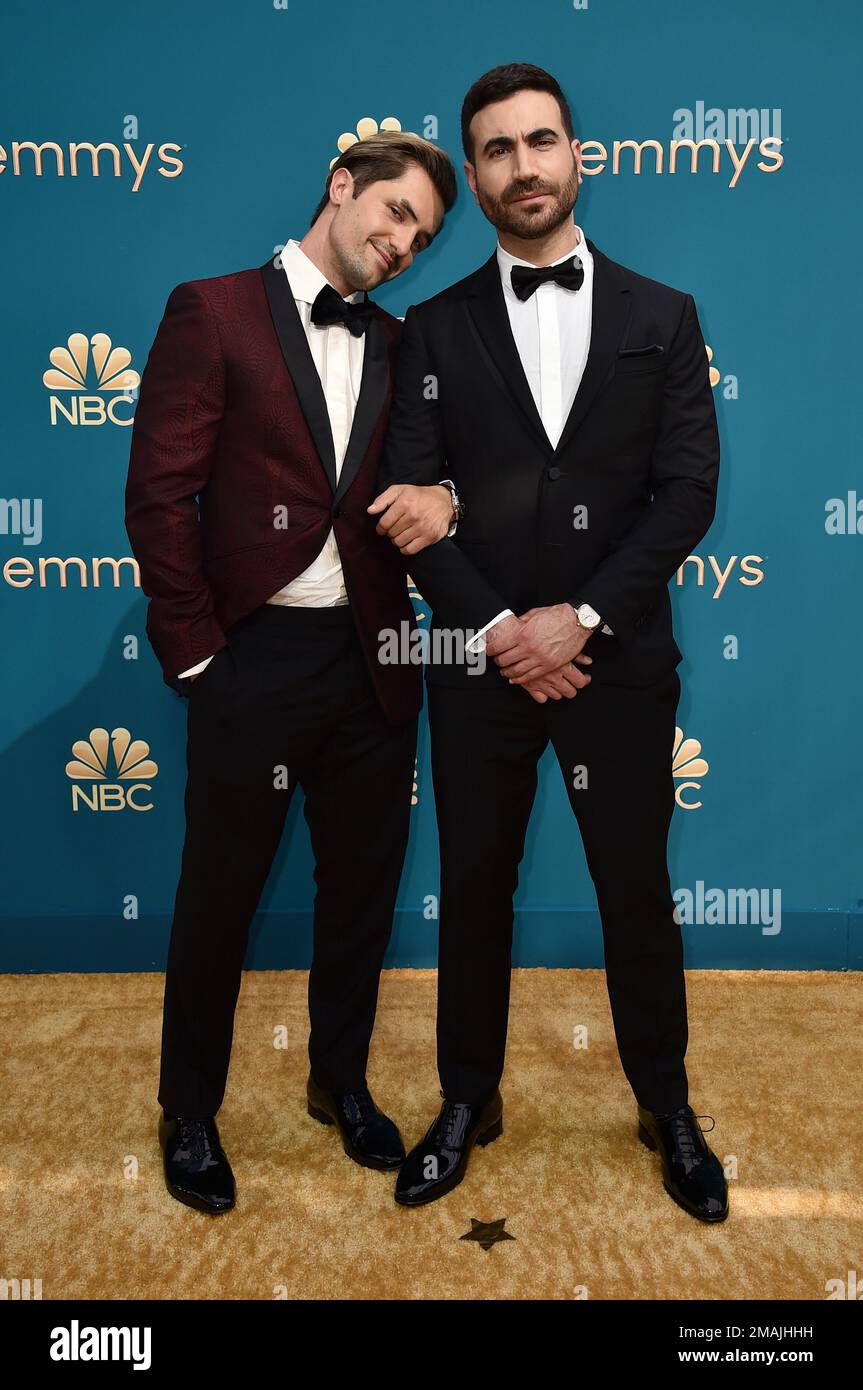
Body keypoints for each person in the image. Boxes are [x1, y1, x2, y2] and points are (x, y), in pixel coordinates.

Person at [371, 64, 727, 1222]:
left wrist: (573, 620)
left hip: (613, 659)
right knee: (472, 888)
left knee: (636, 890)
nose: (521, 166)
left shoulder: (661, 315)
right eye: (494, 149)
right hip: (475, 668)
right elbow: (411, 502)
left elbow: (684, 495)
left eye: (538, 141)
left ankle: (663, 1102)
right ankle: (467, 1097)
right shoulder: (428, 327)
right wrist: (496, 630)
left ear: (577, 153)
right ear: (470, 175)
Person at [125, 130, 457, 1214]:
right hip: (249, 662)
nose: (402, 242)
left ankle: (338, 1085)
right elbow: (159, 499)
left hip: (372, 664)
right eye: (394, 214)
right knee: (215, 899)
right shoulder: (210, 310)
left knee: (358, 896)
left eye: (421, 235)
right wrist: (200, 661)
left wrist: (449, 500)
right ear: (341, 186)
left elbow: (444, 479)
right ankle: (189, 1111)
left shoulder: (408, 344)